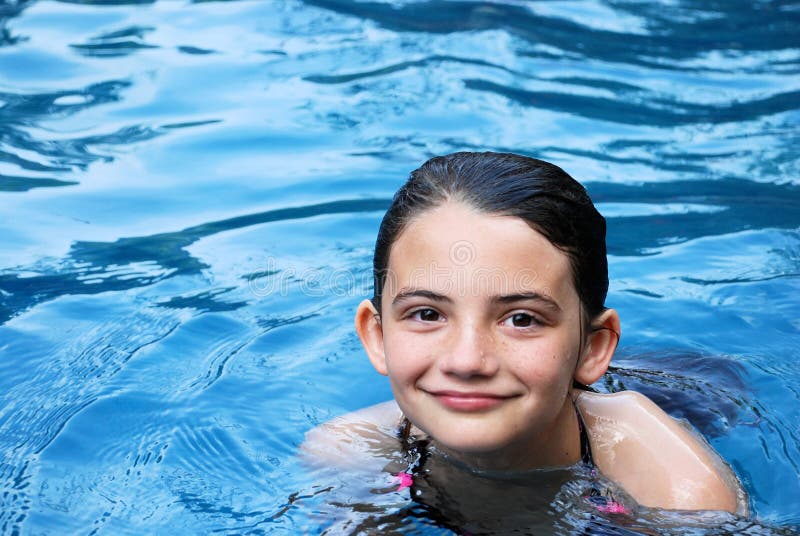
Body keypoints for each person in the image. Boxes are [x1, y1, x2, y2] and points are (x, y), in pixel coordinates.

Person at [303, 152, 747, 519]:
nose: (467, 361)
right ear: (377, 336)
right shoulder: (353, 453)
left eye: (521, 319)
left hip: (695, 395)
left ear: (592, 348)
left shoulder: (677, 493)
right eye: (427, 314)